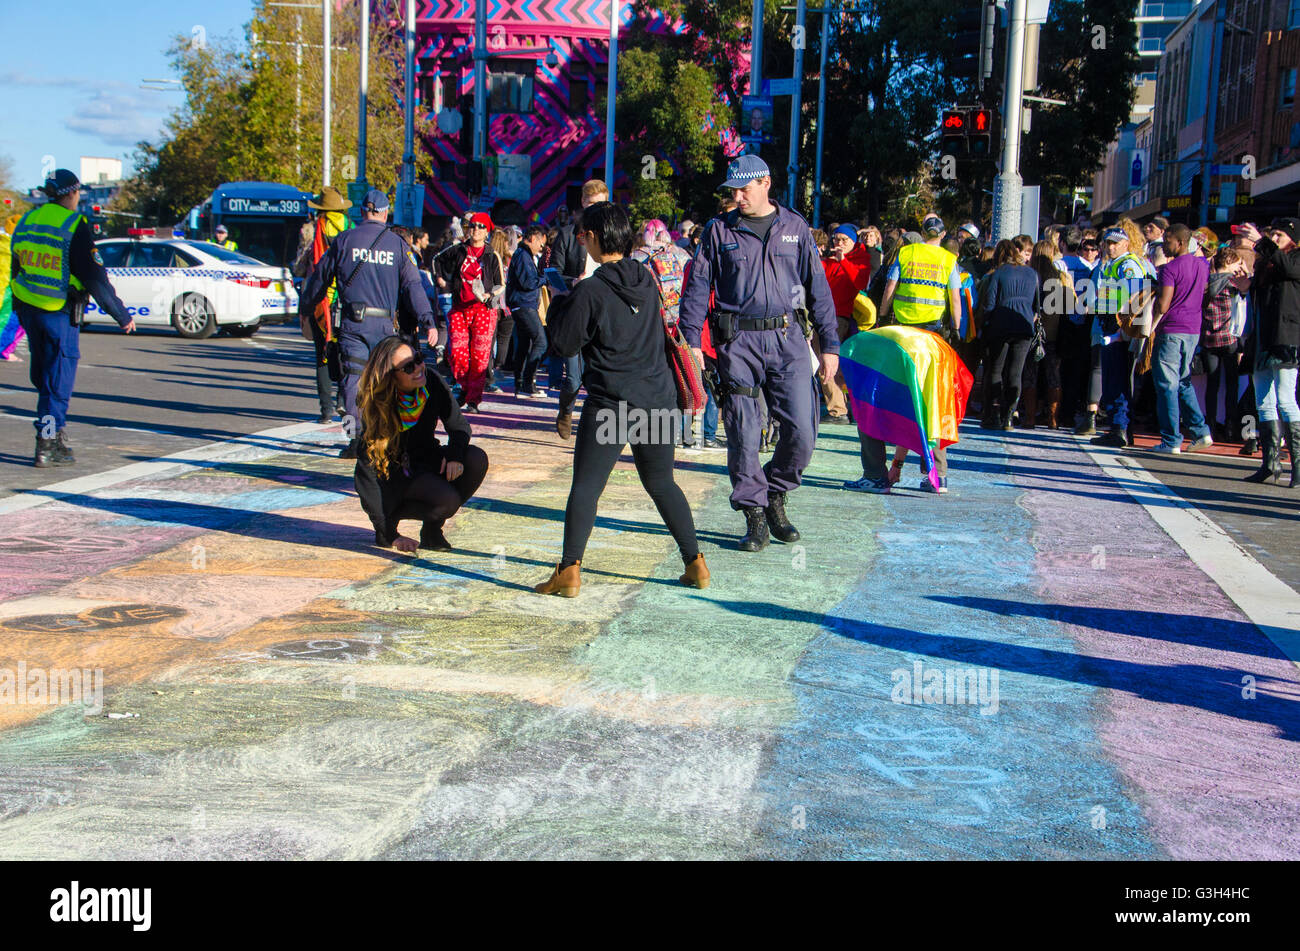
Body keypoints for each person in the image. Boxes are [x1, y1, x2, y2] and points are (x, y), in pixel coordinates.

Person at [534, 202, 709, 595]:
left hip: (613, 402)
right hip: (658, 397)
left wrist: (561, 297)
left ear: (593, 238)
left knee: (587, 488)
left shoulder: (591, 290)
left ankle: (570, 571)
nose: (582, 242)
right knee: (663, 483)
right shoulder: (645, 278)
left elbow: (563, 344)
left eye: (583, 236)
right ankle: (696, 563)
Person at [678, 154, 839, 551]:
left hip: (788, 341)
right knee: (744, 433)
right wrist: (690, 343)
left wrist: (830, 344)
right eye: (732, 190)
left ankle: (776, 492)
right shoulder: (718, 231)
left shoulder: (795, 227)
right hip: (738, 344)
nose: (737, 196)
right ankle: (754, 513)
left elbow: (817, 289)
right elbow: (696, 289)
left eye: (744, 189)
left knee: (802, 430)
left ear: (766, 183)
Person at [9, 169, 136, 467]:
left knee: (43, 378)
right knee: (57, 382)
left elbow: (17, 265)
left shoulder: (27, 220)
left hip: (28, 307)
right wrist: (120, 314)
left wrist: (19, 303)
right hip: (58, 312)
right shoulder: (72, 224)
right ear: (71, 193)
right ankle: (48, 443)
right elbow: (94, 276)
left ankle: (51, 430)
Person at [300, 189, 435, 458]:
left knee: (352, 384)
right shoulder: (397, 245)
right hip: (384, 327)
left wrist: (305, 310)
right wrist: (428, 320)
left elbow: (319, 279)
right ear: (385, 213)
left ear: (362, 212)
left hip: (353, 324)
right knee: (387, 383)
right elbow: (413, 287)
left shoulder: (344, 240)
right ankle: (388, 438)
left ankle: (354, 440)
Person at [354, 336, 489, 552]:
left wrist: (455, 455)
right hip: (395, 476)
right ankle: (393, 517)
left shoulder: (431, 382)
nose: (419, 367)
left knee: (475, 458)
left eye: (418, 358)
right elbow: (365, 474)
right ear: (391, 377)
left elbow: (459, 426)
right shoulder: (379, 406)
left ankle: (432, 531)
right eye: (408, 367)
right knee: (447, 500)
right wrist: (387, 532)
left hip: (426, 459)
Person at [1236, 220, 1300, 486]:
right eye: (1272, 233)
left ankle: (1297, 466)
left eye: (1280, 234)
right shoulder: (1265, 264)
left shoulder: (1295, 258)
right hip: (1262, 339)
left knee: (1285, 398)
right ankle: (1270, 463)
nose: (1274, 238)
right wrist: (1246, 286)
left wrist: (1262, 239)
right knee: (1263, 400)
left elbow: (1288, 269)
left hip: (1285, 338)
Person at [548, 179, 610, 438]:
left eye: (602, 204)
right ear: (584, 203)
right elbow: (553, 273)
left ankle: (596, 426)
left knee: (600, 376)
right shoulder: (566, 235)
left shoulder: (610, 234)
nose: (598, 208)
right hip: (575, 309)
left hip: (603, 312)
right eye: (593, 204)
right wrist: (573, 283)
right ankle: (566, 410)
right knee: (573, 377)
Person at [1144, 224, 1213, 454]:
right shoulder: (1202, 266)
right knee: (1183, 381)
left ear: (1180, 242)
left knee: (1166, 384)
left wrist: (1151, 321)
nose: (1165, 244)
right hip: (1193, 328)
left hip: (1171, 327)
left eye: (1169, 240)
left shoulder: (1169, 269)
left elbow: (1163, 304)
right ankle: (1200, 430)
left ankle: (1171, 439)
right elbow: (1203, 292)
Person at [435, 212, 505, 414]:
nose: (476, 230)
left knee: (480, 357)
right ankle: (462, 388)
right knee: (457, 352)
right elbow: (436, 261)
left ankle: (473, 399)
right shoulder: (457, 250)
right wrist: (442, 281)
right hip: (459, 308)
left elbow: (501, 283)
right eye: (473, 226)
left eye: (481, 226)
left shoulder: (492, 255)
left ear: (487, 231)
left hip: (483, 310)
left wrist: (489, 293)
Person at [296, 186, 354, 424]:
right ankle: (343, 399)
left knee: (322, 355)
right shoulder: (351, 229)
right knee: (345, 352)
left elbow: (300, 264)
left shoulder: (311, 231)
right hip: (347, 298)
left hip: (322, 299)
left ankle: (325, 410)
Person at [978, 239, 1039, 430]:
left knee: (995, 370)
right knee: (1015, 372)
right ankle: (1009, 416)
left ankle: (992, 414)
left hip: (1000, 325)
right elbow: (1037, 305)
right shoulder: (1032, 274)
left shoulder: (999, 273)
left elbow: (990, 304)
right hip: (1024, 325)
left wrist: (985, 324)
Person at [820, 224, 872, 424]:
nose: (839, 244)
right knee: (834, 365)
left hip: (842, 317)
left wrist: (844, 262)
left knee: (829, 362)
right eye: (836, 239)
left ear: (853, 242)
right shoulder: (828, 260)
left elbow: (860, 282)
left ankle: (838, 409)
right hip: (827, 315)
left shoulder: (861, 258)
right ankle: (840, 406)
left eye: (844, 240)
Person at [1201, 247, 1249, 443]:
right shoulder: (1234, 283)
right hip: (1229, 338)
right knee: (1232, 385)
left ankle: (1210, 426)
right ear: (1229, 263)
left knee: (1211, 386)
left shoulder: (1206, 283)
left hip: (1208, 338)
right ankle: (1230, 426)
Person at [506, 225, 549, 398]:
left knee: (524, 345)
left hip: (520, 304)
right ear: (532, 238)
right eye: (541, 243)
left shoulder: (522, 254)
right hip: (524, 305)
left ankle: (520, 384)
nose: (542, 247)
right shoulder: (523, 256)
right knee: (541, 342)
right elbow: (528, 283)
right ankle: (528, 383)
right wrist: (545, 278)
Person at [0, 213, 26, 362]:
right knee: (13, 320)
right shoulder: (19, 247)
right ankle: (4, 349)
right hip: (11, 290)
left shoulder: (3, 244)